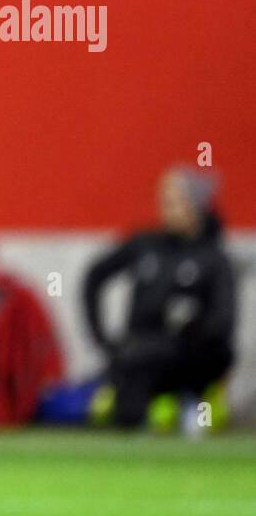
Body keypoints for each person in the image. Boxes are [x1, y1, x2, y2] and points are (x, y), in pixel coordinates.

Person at [82, 166, 237, 429]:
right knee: (121, 408)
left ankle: (190, 402)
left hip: (191, 357)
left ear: (197, 206)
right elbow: (95, 276)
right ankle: (135, 409)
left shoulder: (214, 259)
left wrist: (186, 339)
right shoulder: (146, 244)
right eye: (165, 201)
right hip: (139, 355)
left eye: (177, 201)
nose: (168, 209)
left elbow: (224, 322)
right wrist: (102, 337)